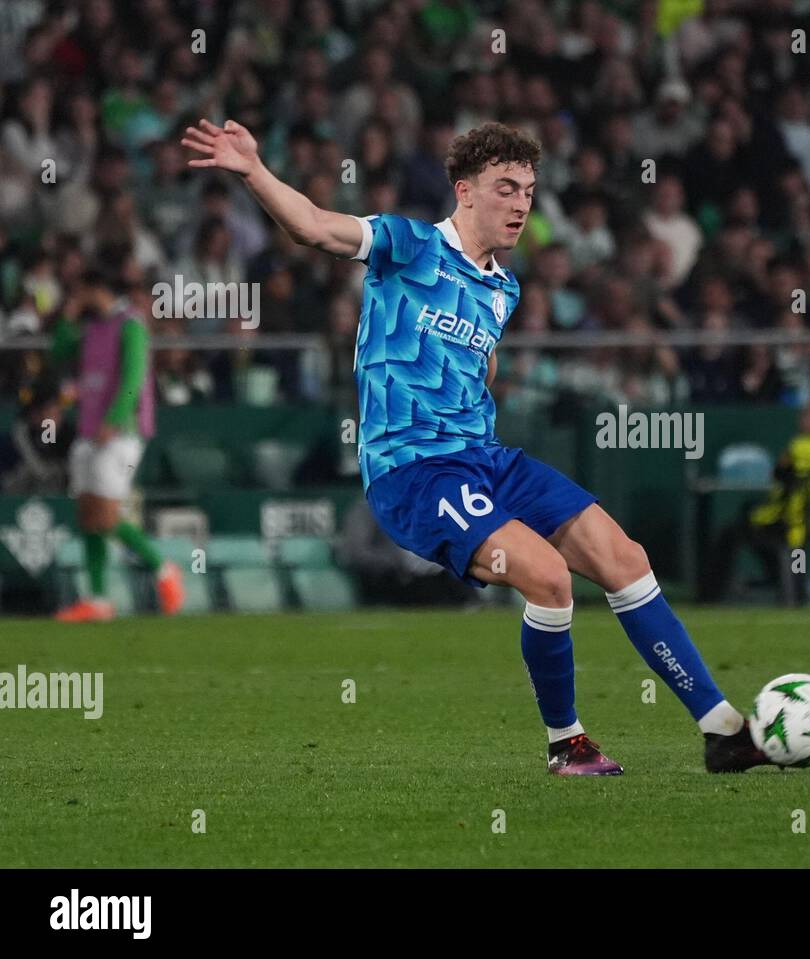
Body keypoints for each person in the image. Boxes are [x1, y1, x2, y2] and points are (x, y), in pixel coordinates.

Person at [182, 118, 769, 775]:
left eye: (528, 191)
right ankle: (566, 743)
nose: (520, 203)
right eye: (505, 188)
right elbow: (315, 225)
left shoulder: (503, 288)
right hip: (414, 470)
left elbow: (480, 364)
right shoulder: (407, 246)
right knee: (547, 576)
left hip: (485, 457)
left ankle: (722, 729)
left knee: (624, 556)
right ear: (465, 191)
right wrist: (253, 172)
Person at [49, 267, 184, 621]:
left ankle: (163, 568)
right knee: (87, 514)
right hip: (87, 429)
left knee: (105, 514)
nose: (76, 297)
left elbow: (134, 376)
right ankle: (98, 599)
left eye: (80, 291)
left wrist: (115, 418)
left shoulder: (132, 325)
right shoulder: (91, 329)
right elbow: (59, 351)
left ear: (97, 288)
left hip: (119, 432)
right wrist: (67, 316)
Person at [703, 395, 810, 605]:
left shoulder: (800, 447)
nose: (801, 419)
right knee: (790, 548)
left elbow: (778, 473)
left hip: (790, 524)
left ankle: (710, 597)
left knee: (735, 533)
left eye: (807, 416)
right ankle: (790, 585)